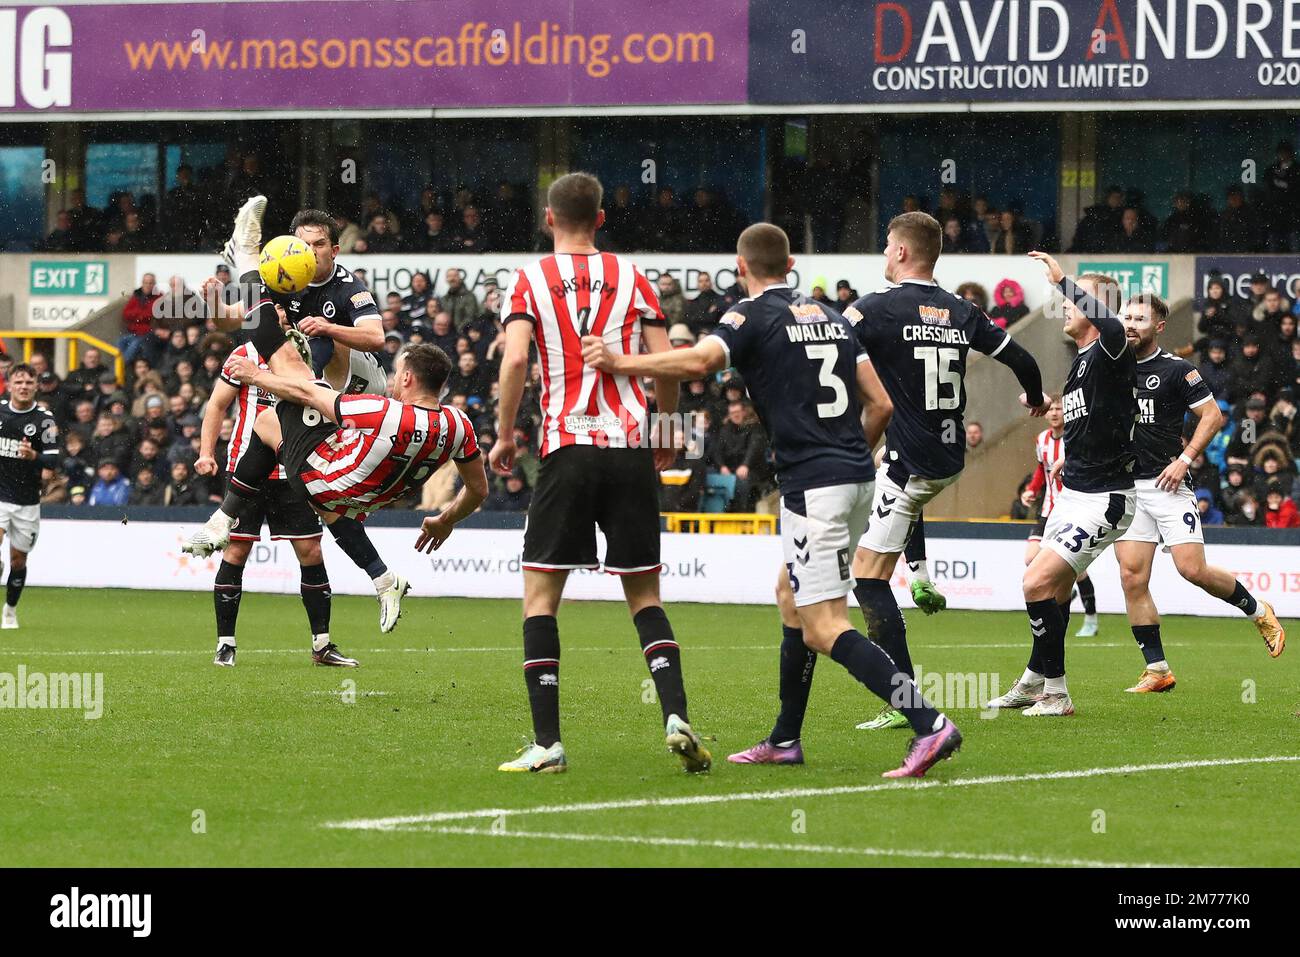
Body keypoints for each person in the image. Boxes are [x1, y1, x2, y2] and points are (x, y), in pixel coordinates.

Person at [586, 222, 966, 779]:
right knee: (790, 594)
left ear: (742, 269)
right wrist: (846, 456)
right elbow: (880, 405)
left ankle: (929, 724)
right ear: (790, 266)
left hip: (816, 486)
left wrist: (620, 364)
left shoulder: (750, 316)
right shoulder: (834, 317)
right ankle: (785, 739)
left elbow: (697, 363)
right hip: (855, 477)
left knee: (824, 624)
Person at [489, 171, 709, 775]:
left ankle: (548, 743)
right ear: (603, 218)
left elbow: (514, 360)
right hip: (630, 445)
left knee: (541, 597)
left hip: (567, 447)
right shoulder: (633, 277)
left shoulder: (530, 278)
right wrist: (667, 431)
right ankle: (675, 714)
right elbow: (666, 363)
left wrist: (507, 435)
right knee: (644, 594)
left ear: (548, 218)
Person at [843, 212, 1048, 731]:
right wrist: (1035, 396)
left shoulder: (873, 309)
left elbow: (826, 348)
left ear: (904, 253)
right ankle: (923, 572)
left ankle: (903, 700)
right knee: (896, 493)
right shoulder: (961, 310)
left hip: (914, 460)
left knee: (867, 580)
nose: (885, 254)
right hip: (948, 454)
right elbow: (1021, 357)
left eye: (888, 246)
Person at [1112, 293, 1285, 693]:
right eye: (1126, 317)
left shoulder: (1177, 370)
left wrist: (1186, 458)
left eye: (1139, 318)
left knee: (1191, 570)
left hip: (1167, 482)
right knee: (1131, 577)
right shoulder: (1109, 366)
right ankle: (1157, 669)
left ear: (1158, 327)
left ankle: (1258, 610)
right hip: (1126, 486)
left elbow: (1213, 415)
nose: (1130, 324)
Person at [989, 257, 1137, 717]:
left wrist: (1062, 279)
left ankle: (1056, 694)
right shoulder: (1083, 362)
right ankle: (1036, 681)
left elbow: (1110, 323)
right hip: (1073, 496)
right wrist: (1045, 403)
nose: (1066, 307)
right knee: (1051, 590)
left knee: (1034, 582)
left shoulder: (1113, 346)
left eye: (1076, 299)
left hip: (1104, 499)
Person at [194, 339, 342, 668]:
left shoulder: (304, 353)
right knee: (236, 551)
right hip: (247, 467)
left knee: (312, 551)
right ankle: (225, 644)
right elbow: (217, 404)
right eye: (272, 306)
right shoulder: (243, 355)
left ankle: (322, 645)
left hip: (294, 467)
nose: (279, 311)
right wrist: (206, 452)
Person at [1020, 397, 1102, 637]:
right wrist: (1031, 490)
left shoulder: (1076, 437)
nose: (1055, 413)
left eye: (1059, 408)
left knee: (1077, 569)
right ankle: (1063, 589)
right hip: (1048, 510)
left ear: (1068, 412)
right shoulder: (1042, 440)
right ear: (1045, 413)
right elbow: (1040, 469)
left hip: (1073, 510)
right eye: (1051, 409)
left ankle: (1091, 619)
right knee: (1031, 558)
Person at [0, 365, 60, 629]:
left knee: (18, 560)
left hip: (26, 500)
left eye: (28, 382)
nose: (23, 386)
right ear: (9, 384)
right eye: (19, 381)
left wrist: (34, 456)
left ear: (36, 385)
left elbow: (53, 460)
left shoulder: (44, 420)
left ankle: (10, 610)